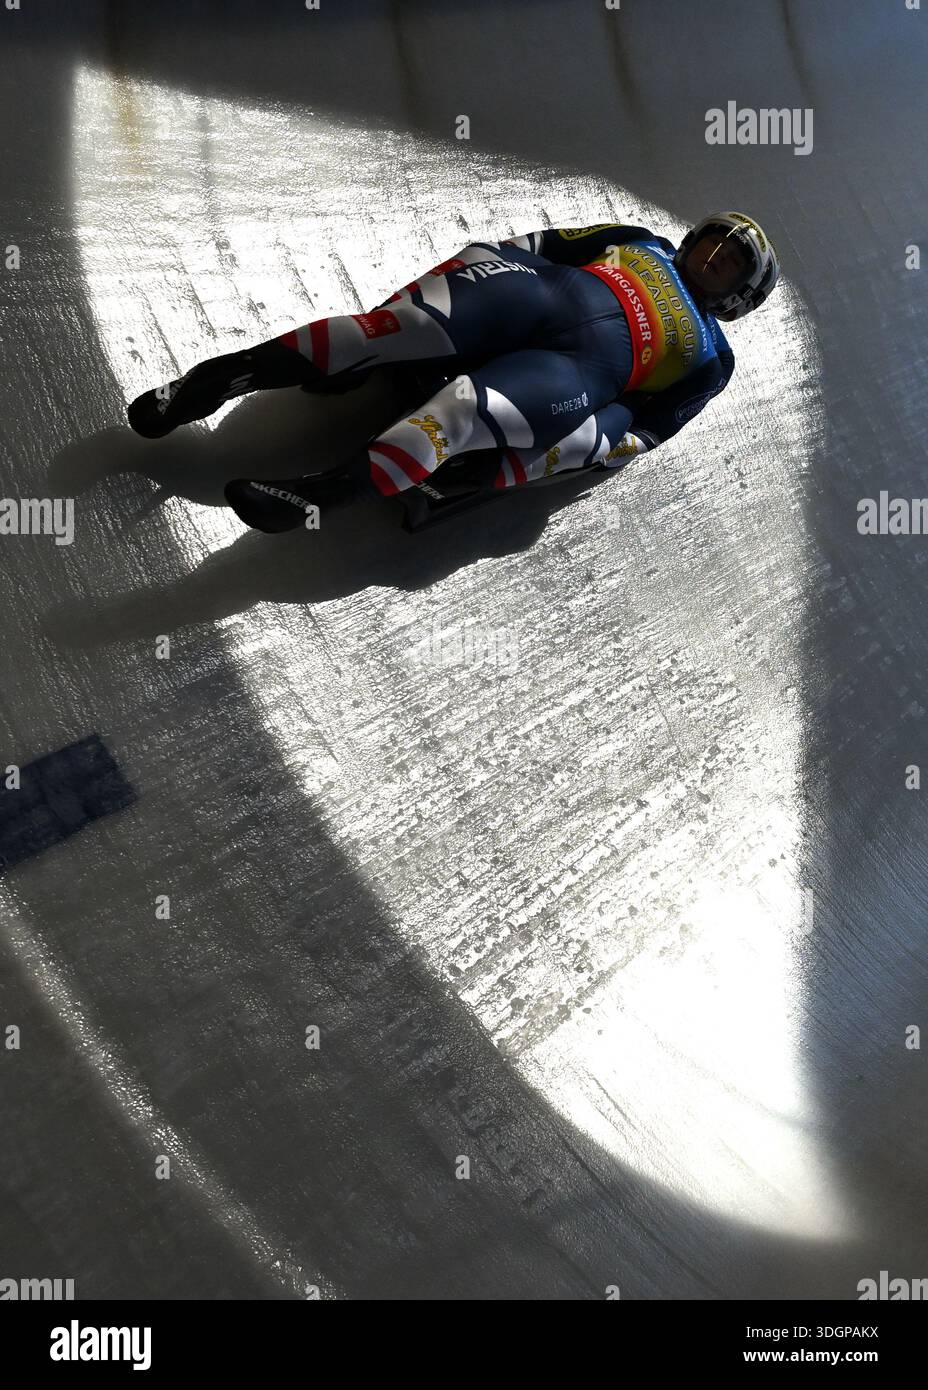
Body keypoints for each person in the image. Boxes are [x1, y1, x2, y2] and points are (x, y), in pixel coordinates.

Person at [127, 212, 780, 532]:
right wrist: (476, 266)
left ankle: (317, 497)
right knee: (390, 329)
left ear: (738, 294)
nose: (716, 252)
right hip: (533, 295)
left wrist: (560, 451)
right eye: (716, 238)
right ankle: (214, 380)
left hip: (575, 370)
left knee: (464, 410)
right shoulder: (641, 240)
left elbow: (645, 430)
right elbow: (542, 245)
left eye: (731, 258)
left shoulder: (712, 358)